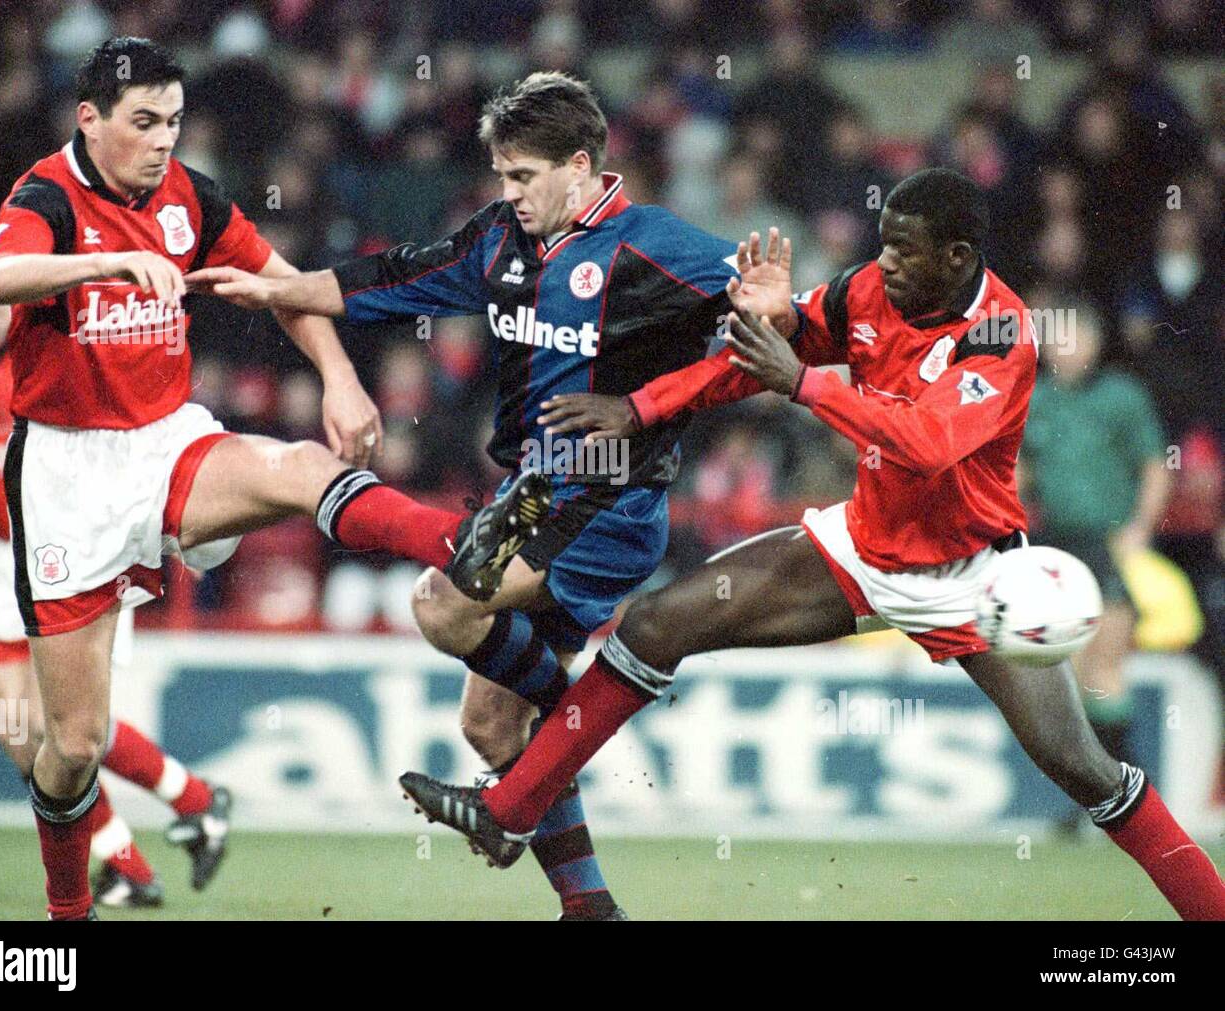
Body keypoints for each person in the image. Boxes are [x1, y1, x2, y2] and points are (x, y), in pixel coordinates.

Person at [399, 168, 1225, 921]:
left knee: (1087, 772)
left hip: (973, 577)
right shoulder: (868, 291)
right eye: (883, 245)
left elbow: (928, 442)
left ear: (958, 255)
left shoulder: (1000, 335)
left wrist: (804, 379)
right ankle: (511, 812)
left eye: (906, 251)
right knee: (654, 627)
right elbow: (761, 359)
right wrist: (648, 406)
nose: (886, 262)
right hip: (858, 553)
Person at [187, 71, 783, 920]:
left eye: (523, 177)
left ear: (580, 166)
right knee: (492, 729)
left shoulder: (651, 245)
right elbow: (387, 277)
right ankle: (590, 905)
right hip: (534, 492)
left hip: (609, 499)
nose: (509, 194)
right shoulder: (501, 240)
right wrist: (277, 288)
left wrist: (773, 307)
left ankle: (576, 715)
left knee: (442, 604)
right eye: (502, 177)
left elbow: (771, 312)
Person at [0, 37, 539, 920]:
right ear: (89, 120)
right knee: (73, 747)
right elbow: (0, 274)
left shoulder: (190, 195)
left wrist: (341, 377)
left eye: (173, 121)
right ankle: (68, 916)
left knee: (301, 468)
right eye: (143, 123)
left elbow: (286, 284)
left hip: (166, 444)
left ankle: (468, 547)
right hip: (66, 472)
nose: (163, 140)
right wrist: (103, 262)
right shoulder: (47, 194)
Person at [0, 224, 230, 907]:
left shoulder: (41, 357)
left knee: (70, 729)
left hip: (76, 550)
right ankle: (137, 844)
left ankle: (185, 808)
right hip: (8, 554)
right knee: (19, 732)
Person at [1020, 306, 1170, 772]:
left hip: (1106, 545)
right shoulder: (1035, 399)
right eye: (1056, 340)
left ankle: (1123, 782)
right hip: (1053, 548)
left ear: (1094, 342)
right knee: (1071, 676)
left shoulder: (1121, 397)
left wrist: (1142, 527)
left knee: (1103, 669)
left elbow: (1154, 465)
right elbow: (1018, 472)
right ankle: (1102, 790)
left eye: (1073, 338)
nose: (1063, 349)